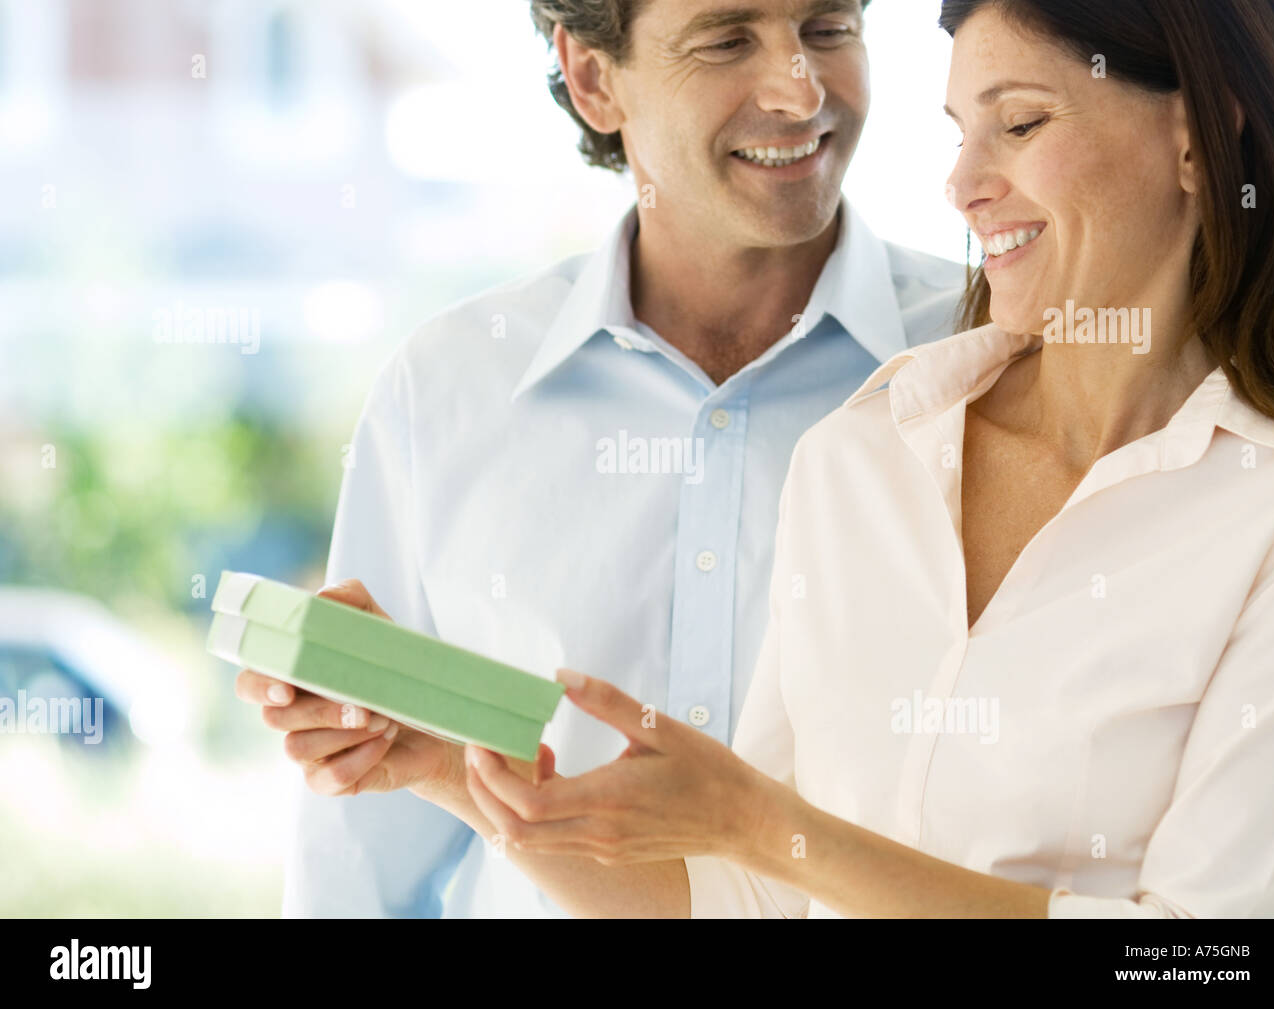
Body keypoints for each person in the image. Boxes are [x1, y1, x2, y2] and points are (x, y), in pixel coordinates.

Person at [446, 0, 1274, 916]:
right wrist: (448, 776)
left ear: (1199, 137)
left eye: (1020, 123)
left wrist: (762, 825)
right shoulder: (862, 455)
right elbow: (750, 900)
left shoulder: (1272, 512)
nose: (964, 183)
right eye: (959, 134)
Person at [234, 0, 964, 916]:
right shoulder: (449, 391)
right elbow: (362, 872)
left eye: (829, 28)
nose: (799, 88)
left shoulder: (994, 362)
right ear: (591, 77)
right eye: (728, 40)